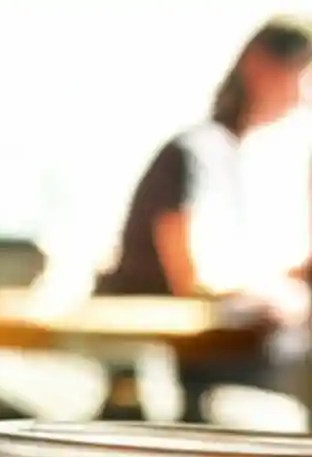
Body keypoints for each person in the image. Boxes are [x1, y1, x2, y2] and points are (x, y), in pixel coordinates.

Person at [97, 19, 312, 422]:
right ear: (259, 65)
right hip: (169, 356)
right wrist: (267, 294)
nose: (302, 98)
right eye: (300, 76)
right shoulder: (195, 152)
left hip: (208, 349)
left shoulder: (233, 156)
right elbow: (192, 276)